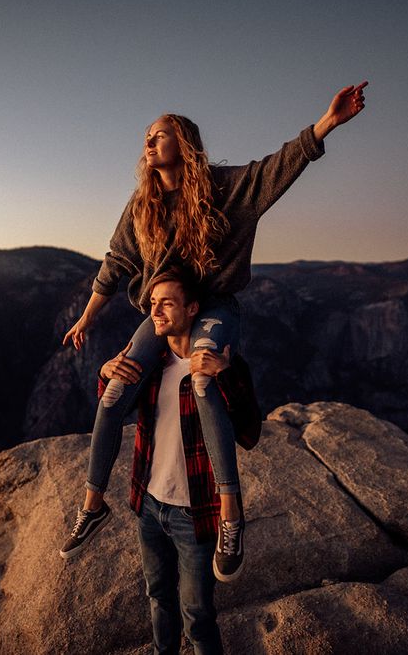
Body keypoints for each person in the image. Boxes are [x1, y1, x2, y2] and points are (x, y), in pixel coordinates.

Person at [62, 81, 368, 575]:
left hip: (213, 308)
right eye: (147, 136)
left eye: (160, 134)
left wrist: (328, 122)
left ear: (183, 143)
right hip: (164, 310)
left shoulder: (224, 188)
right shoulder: (142, 205)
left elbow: (276, 168)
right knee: (115, 390)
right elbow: (117, 261)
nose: (149, 142)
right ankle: (93, 505)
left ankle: (230, 513)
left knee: (203, 381)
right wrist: (87, 316)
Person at [66, 270, 261, 652]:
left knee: (197, 616)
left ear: (193, 309)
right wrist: (105, 373)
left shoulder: (222, 363)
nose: (154, 311)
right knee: (158, 598)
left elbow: (249, 434)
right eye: (152, 303)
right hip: (150, 508)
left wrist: (224, 375)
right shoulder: (150, 367)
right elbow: (115, 408)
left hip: (197, 515)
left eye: (166, 303)